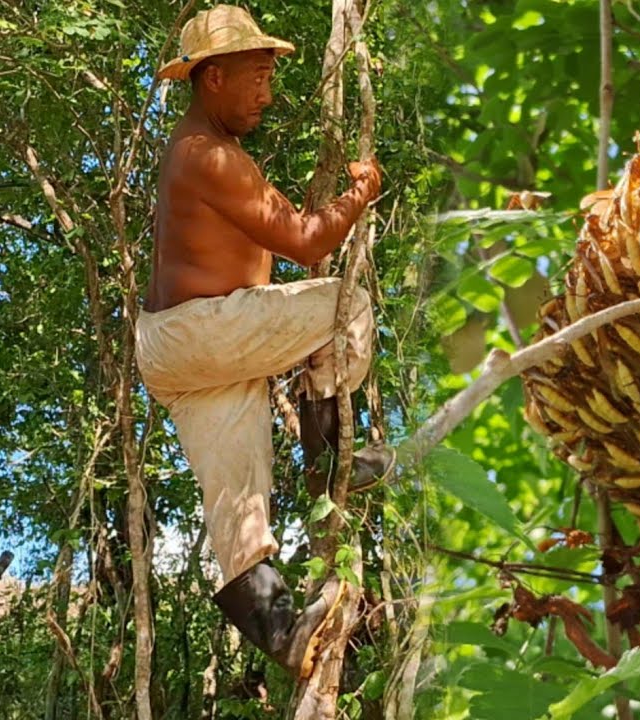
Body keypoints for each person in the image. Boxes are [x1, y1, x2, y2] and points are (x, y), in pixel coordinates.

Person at [135, 5, 393, 680]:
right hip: (201, 332)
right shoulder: (208, 155)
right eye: (255, 76)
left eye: (270, 77)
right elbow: (307, 242)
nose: (267, 94)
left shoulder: (205, 151)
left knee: (239, 509)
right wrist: (359, 193)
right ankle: (329, 466)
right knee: (347, 302)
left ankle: (283, 635)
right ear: (212, 76)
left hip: (186, 356)